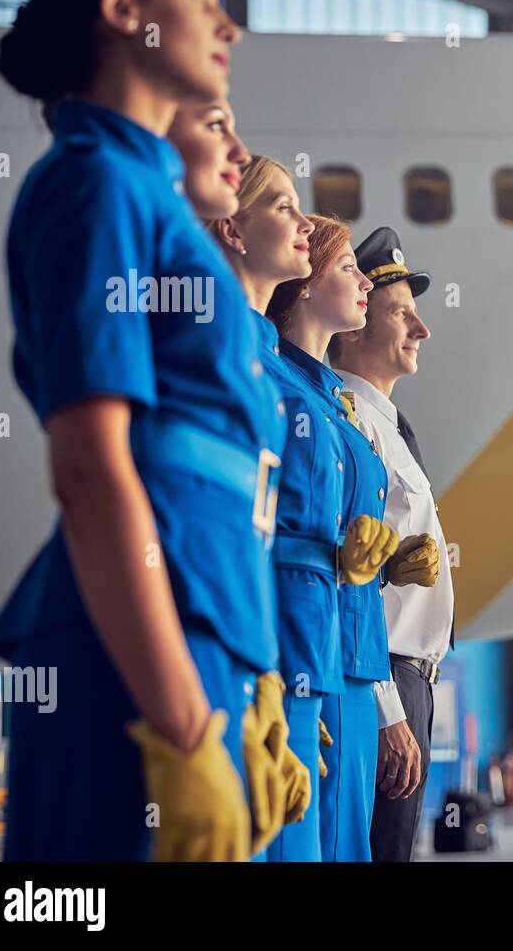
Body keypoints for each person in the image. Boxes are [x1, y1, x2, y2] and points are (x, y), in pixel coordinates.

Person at [0, 0, 291, 861]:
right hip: (140, 644)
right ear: (124, 11)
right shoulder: (97, 180)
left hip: (195, 625)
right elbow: (89, 468)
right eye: (204, 2)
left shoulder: (145, 194)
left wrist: (254, 679)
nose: (228, 23)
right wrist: (188, 729)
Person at [167, 125, 316, 856]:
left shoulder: (251, 343)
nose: (304, 223)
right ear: (231, 226)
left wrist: (269, 678)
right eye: (283, 206)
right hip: (198, 644)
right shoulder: (208, 327)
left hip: (241, 646)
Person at [265, 214, 406, 862]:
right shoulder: (276, 384)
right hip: (306, 647)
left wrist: (391, 557)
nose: (362, 281)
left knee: (342, 843)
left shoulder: (328, 396)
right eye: (347, 267)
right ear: (301, 285)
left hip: (347, 646)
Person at [333, 226, 452, 862]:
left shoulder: (386, 424)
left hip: (410, 679)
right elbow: (353, 586)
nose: (421, 329)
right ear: (354, 326)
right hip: (387, 676)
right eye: (401, 313)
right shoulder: (355, 426)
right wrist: (388, 710)